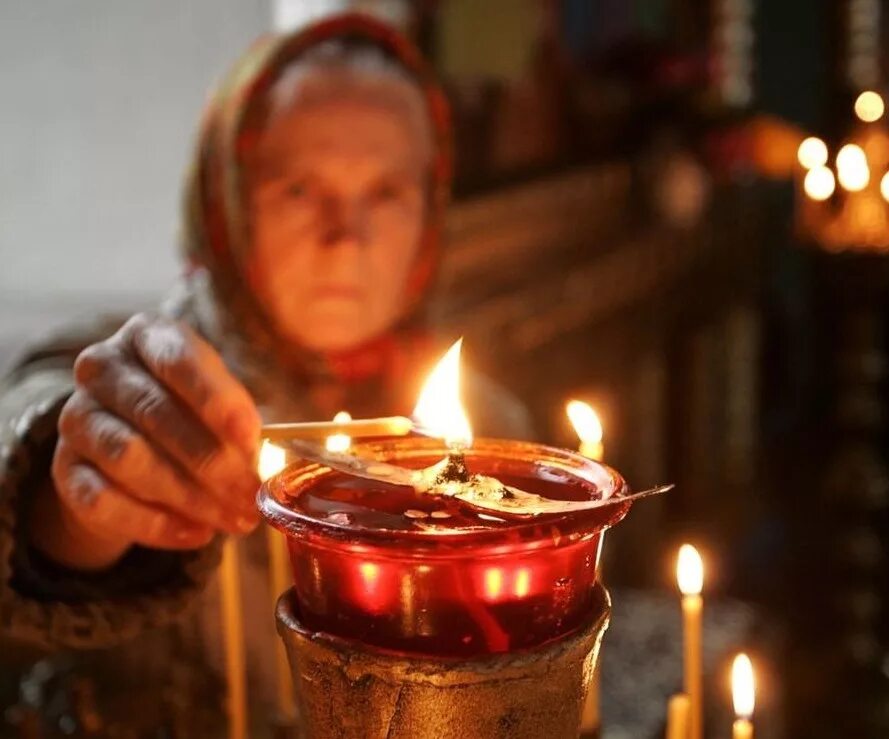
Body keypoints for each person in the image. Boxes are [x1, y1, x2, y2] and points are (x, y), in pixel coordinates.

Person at [0, 14, 528, 736]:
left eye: (385, 192)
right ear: (226, 202)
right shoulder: (139, 377)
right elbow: (41, 415)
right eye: (300, 191)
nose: (346, 234)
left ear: (431, 214)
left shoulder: (494, 438)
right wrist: (68, 510)